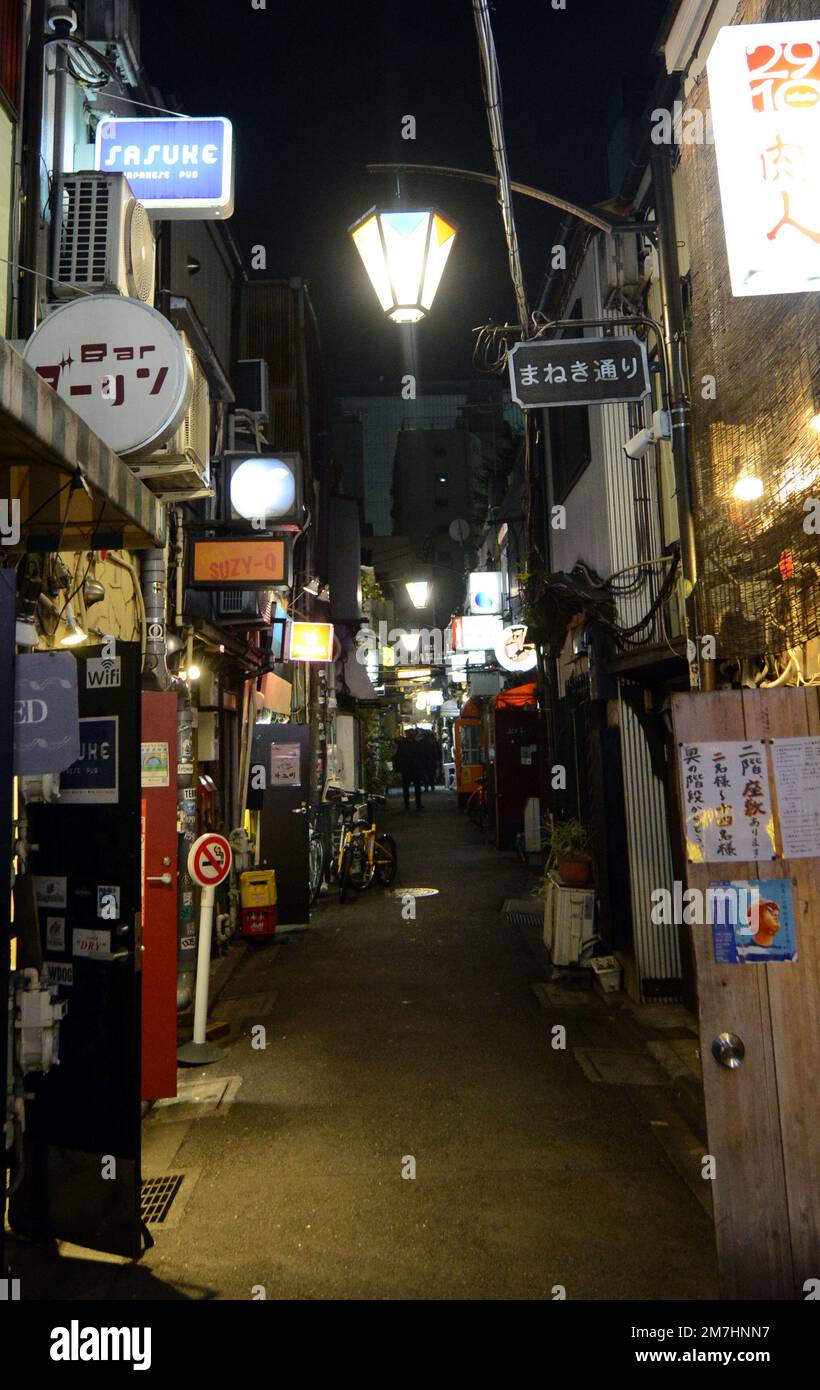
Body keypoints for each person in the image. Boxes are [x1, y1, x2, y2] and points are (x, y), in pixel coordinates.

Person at [393, 729, 424, 811]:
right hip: (413, 768)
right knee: (416, 786)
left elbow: (398, 757)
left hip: (407, 769)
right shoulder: (417, 744)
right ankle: (417, 803)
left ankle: (408, 804)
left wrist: (398, 768)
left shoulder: (403, 745)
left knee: (407, 787)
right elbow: (421, 757)